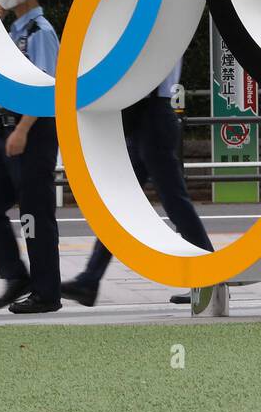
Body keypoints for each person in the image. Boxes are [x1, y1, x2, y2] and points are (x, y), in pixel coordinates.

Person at [61, 58, 213, 306]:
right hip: (146, 115)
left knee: (173, 201)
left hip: (153, 114)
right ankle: (90, 279)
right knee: (125, 204)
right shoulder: (162, 29)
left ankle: (209, 276)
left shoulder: (161, 31)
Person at [0, 0, 63, 314]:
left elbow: (48, 88)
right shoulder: (13, 32)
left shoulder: (40, 32)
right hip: (6, 133)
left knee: (36, 215)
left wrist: (24, 129)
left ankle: (46, 293)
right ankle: (16, 276)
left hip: (32, 133)